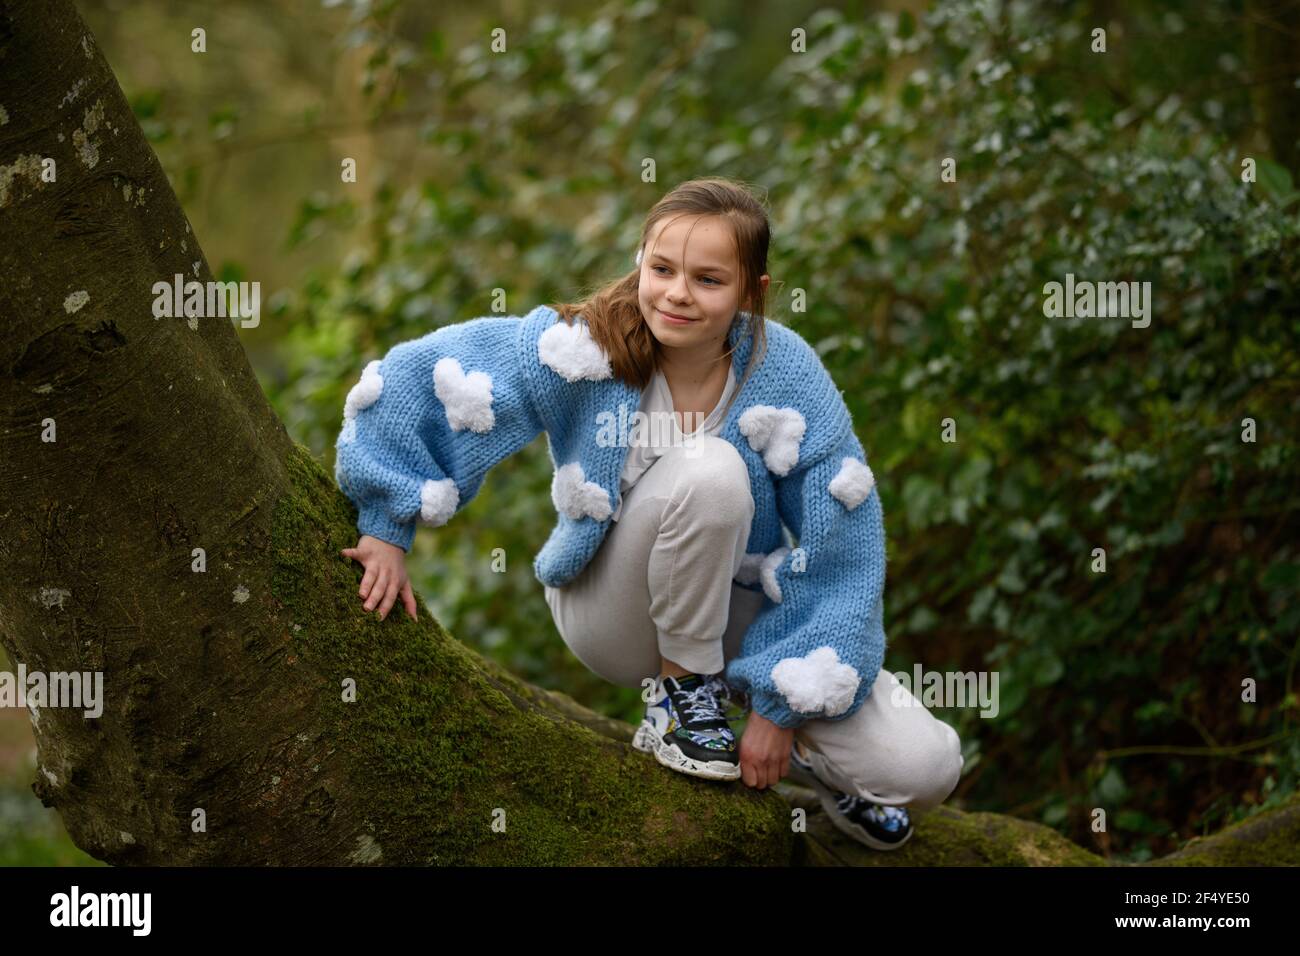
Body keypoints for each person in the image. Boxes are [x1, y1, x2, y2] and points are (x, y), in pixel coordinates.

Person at [335, 177, 963, 851]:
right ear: (640, 261)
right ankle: (679, 701)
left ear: (753, 290)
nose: (677, 293)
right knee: (711, 470)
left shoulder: (786, 374)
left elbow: (844, 543)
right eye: (661, 269)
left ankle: (817, 764)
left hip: (736, 610)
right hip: (612, 606)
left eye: (708, 279)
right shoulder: (584, 348)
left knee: (925, 768)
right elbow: (420, 382)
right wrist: (386, 524)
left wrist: (785, 706)